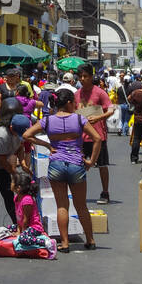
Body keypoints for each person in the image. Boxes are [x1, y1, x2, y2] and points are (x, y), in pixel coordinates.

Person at [24, 85, 100, 252]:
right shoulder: (79, 120)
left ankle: (65, 243)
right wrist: (91, 161)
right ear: (69, 103)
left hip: (56, 164)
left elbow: (26, 135)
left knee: (62, 206)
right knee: (81, 206)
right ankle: (90, 240)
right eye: (74, 102)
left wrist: (46, 144)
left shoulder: (48, 121)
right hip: (76, 164)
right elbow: (97, 138)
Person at [75, 63, 114, 204]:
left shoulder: (100, 93)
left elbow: (111, 110)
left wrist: (98, 118)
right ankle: (78, 193)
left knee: (102, 165)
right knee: (78, 166)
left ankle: (105, 192)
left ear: (91, 77)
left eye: (85, 76)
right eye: (80, 76)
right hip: (81, 138)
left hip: (98, 136)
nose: (82, 79)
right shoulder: (76, 94)